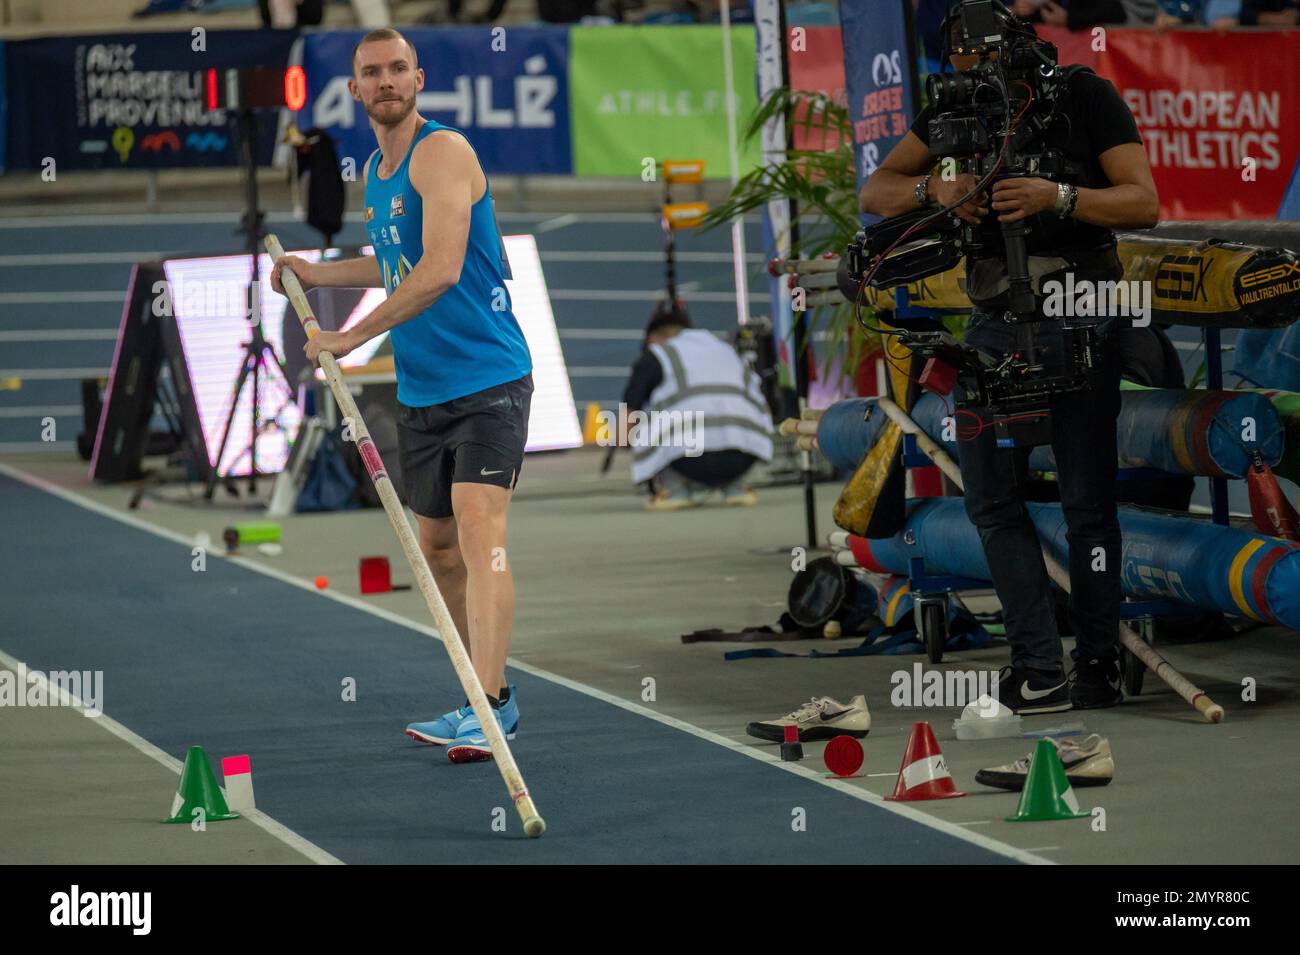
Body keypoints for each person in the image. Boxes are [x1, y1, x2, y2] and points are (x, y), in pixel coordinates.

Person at [858, 6, 1159, 713]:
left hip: (1080, 313)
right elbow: (877, 192)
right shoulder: (956, 108)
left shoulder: (1085, 96)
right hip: (995, 322)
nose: (969, 81)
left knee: (1088, 505)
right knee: (991, 500)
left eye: (978, 66)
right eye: (958, 69)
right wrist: (940, 189)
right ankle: (1037, 666)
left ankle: (1095, 663)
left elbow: (1143, 202)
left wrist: (1061, 196)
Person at [270, 28, 533, 763]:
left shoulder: (441, 153)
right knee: (438, 546)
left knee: (481, 532)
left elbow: (443, 268)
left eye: (396, 69)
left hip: (489, 379)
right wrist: (317, 275)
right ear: (354, 91)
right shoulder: (381, 174)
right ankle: (491, 691)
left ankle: (489, 704)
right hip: (424, 391)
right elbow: (396, 262)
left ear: (418, 78)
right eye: (370, 74)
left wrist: (349, 341)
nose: (385, 81)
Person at [620, 303, 774, 511]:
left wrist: (627, 442)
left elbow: (630, 411)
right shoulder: (726, 351)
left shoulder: (658, 355)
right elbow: (762, 404)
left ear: (654, 337)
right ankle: (735, 488)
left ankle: (677, 490)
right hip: (744, 456)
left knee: (649, 418)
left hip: (689, 460)